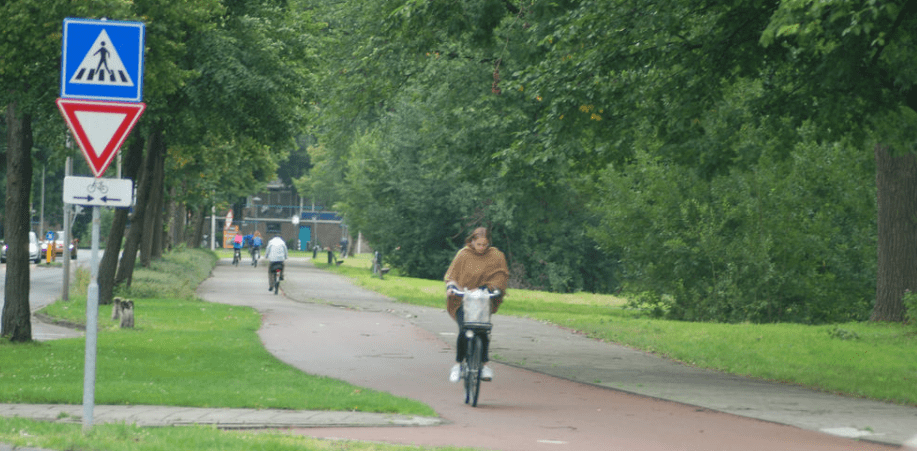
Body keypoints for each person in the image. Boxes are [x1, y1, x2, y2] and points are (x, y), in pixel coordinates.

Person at [444, 227, 509, 383]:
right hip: (462, 300)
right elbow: (451, 276)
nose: (481, 248)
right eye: (478, 244)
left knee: (482, 331)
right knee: (464, 330)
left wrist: (492, 290)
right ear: (472, 241)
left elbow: (501, 277)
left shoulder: (496, 256)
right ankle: (458, 365)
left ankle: (484, 365)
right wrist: (451, 288)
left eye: (485, 245)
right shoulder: (463, 255)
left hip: (483, 301)